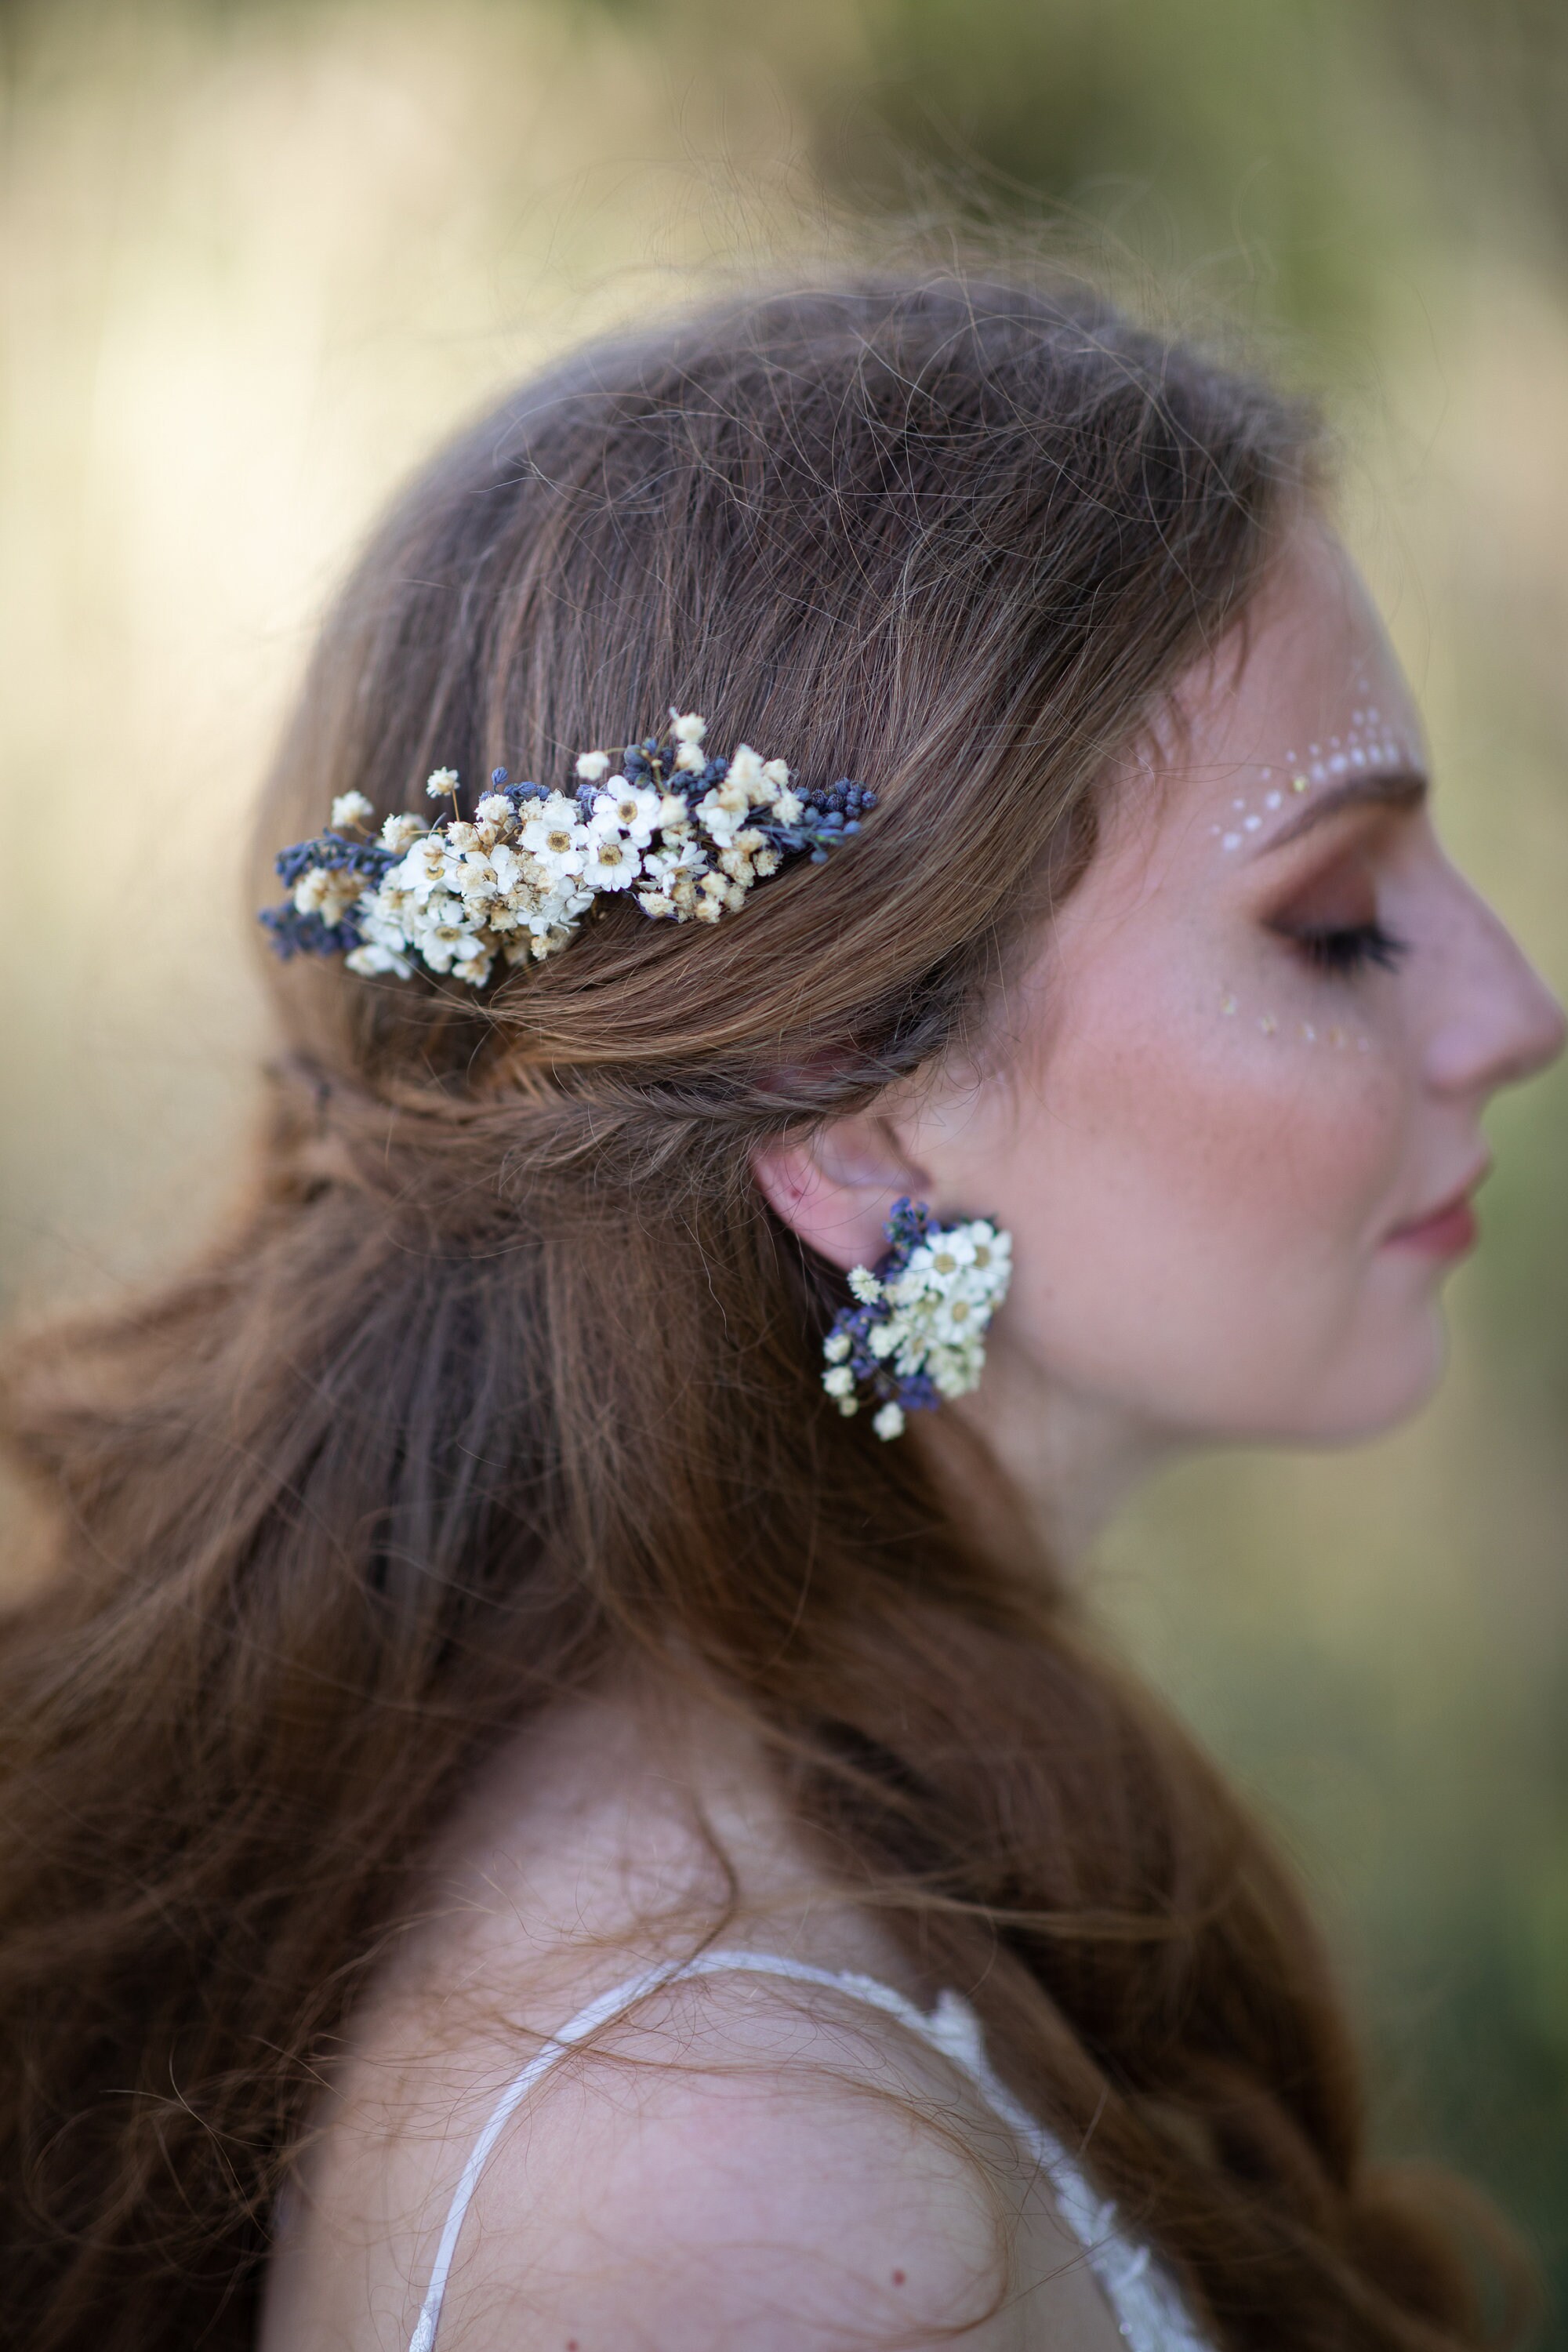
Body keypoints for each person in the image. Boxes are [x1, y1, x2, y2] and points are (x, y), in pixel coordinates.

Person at [0, 273, 1559, 2352]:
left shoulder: (820, 1804)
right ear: (868, 1137)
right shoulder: (733, 2213)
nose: (1517, 1009)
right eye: (1342, 925)